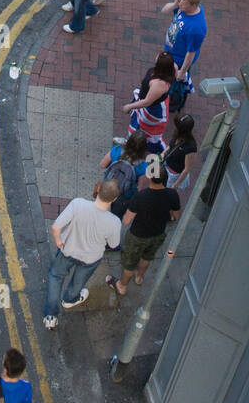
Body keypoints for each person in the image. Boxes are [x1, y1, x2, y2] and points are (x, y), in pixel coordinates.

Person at [42, 179, 121, 329]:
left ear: (98, 190)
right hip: (90, 258)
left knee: (55, 276)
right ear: (115, 199)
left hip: (68, 250)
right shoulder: (114, 222)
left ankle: (51, 316)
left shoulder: (78, 204)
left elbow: (55, 227)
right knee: (79, 280)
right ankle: (70, 299)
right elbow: (113, 245)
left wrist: (59, 242)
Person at [106, 161, 180, 296]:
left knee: (130, 262)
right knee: (147, 257)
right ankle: (139, 277)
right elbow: (176, 216)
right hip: (158, 234)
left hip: (137, 235)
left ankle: (122, 286)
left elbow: (127, 220)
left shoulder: (141, 196)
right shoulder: (172, 194)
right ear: (165, 179)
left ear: (151, 177)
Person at [161, 0, 207, 111]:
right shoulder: (182, 7)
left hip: (179, 62)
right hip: (170, 54)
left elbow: (191, 53)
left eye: (183, 3)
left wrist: (182, 72)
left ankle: (174, 104)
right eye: (180, 1)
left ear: (194, 5)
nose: (180, 4)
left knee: (176, 86)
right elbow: (164, 10)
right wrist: (175, 4)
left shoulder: (196, 29)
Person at [122, 51, 175, 154]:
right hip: (146, 103)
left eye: (158, 57)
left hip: (151, 110)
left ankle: (163, 153)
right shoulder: (166, 71)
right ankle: (131, 141)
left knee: (149, 133)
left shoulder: (159, 84)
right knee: (138, 123)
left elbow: (147, 102)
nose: (156, 56)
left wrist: (129, 106)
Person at [164, 115, 197, 190]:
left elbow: (186, 169)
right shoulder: (177, 134)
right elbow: (171, 146)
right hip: (166, 167)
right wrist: (163, 153)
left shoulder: (191, 147)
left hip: (173, 176)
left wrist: (175, 184)